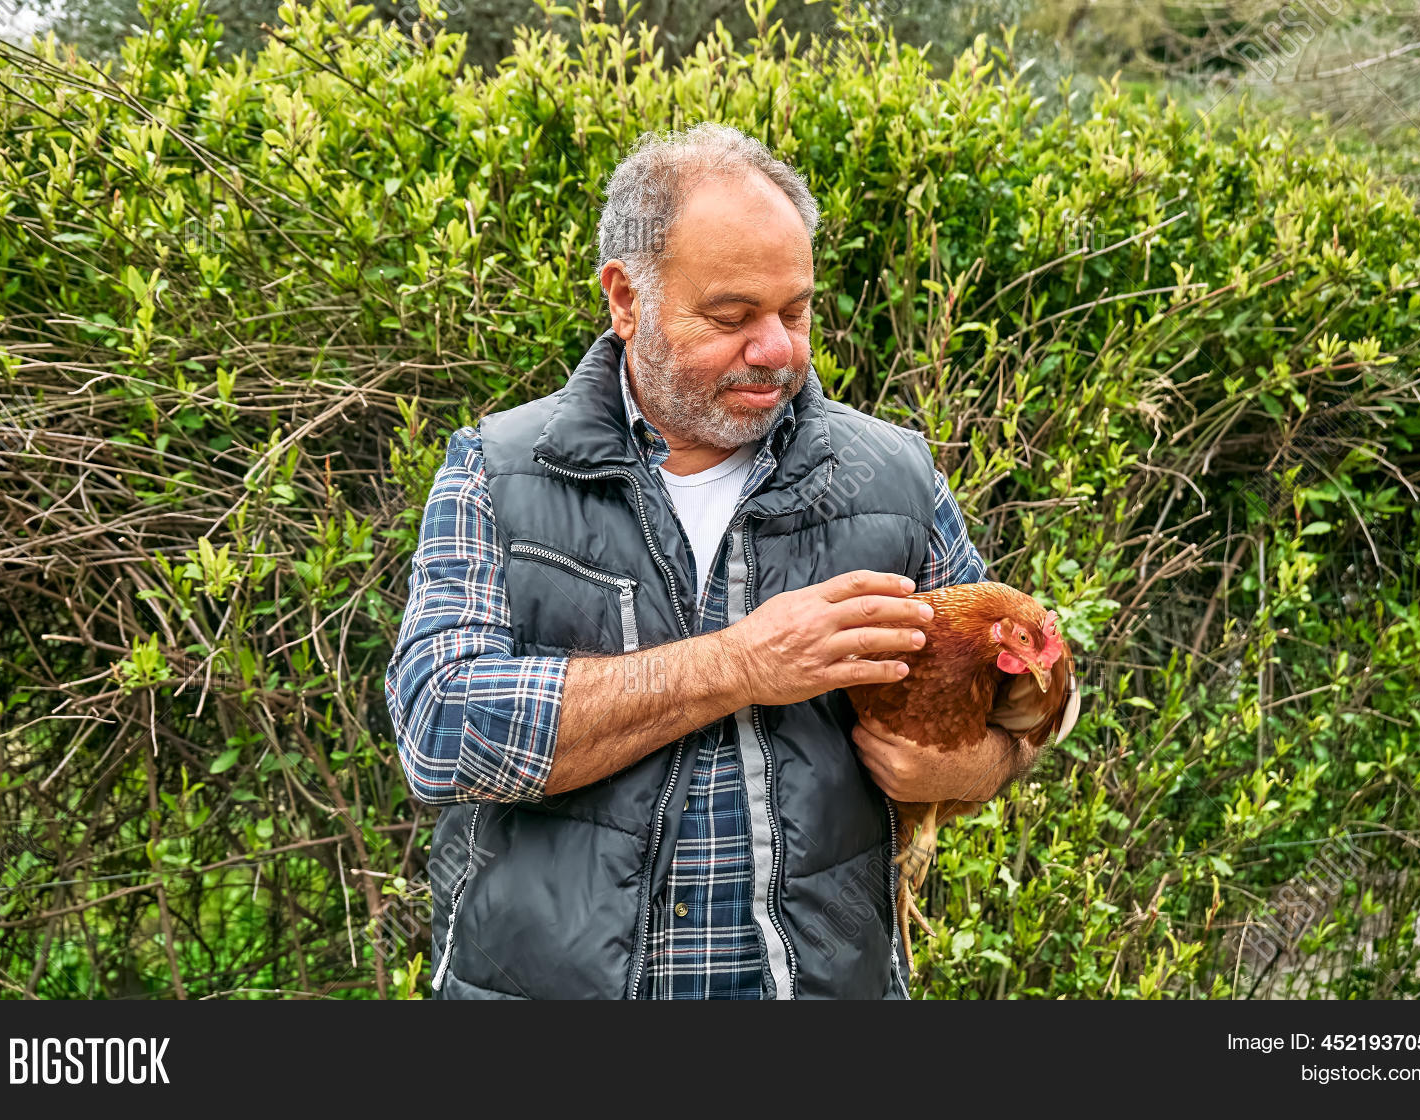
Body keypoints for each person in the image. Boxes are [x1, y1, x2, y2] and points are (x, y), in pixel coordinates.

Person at [385, 122, 1018, 999]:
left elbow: (1015, 704)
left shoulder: (894, 478)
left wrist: (969, 770)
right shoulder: (500, 473)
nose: (777, 349)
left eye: (794, 311)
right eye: (732, 317)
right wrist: (738, 665)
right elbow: (438, 729)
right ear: (625, 298)